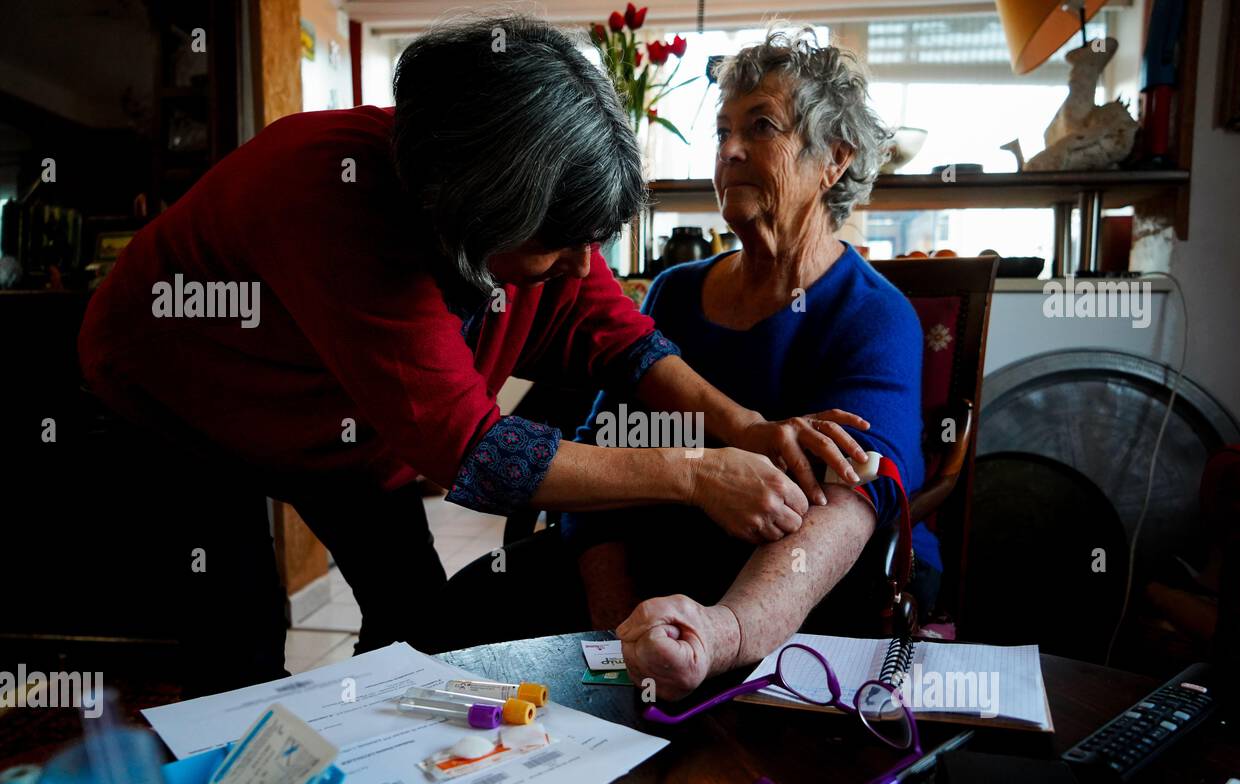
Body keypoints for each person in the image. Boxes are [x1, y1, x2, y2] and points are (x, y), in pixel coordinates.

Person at [76, 15, 867, 689]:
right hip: (179, 403)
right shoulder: (330, 203)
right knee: (237, 627)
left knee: (417, 617)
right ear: (476, 215)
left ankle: (376, 763)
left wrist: (745, 426)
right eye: (561, 246)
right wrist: (694, 474)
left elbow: (621, 343)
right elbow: (480, 457)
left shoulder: (528, 225)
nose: (580, 264)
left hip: (342, 420)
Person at [564, 29, 943, 700]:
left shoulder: (872, 314)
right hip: (651, 590)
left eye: (760, 127)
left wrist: (724, 633)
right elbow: (603, 455)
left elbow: (853, 497)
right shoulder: (674, 293)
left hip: (799, 602)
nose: (729, 152)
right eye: (721, 133)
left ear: (833, 158)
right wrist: (614, 631)